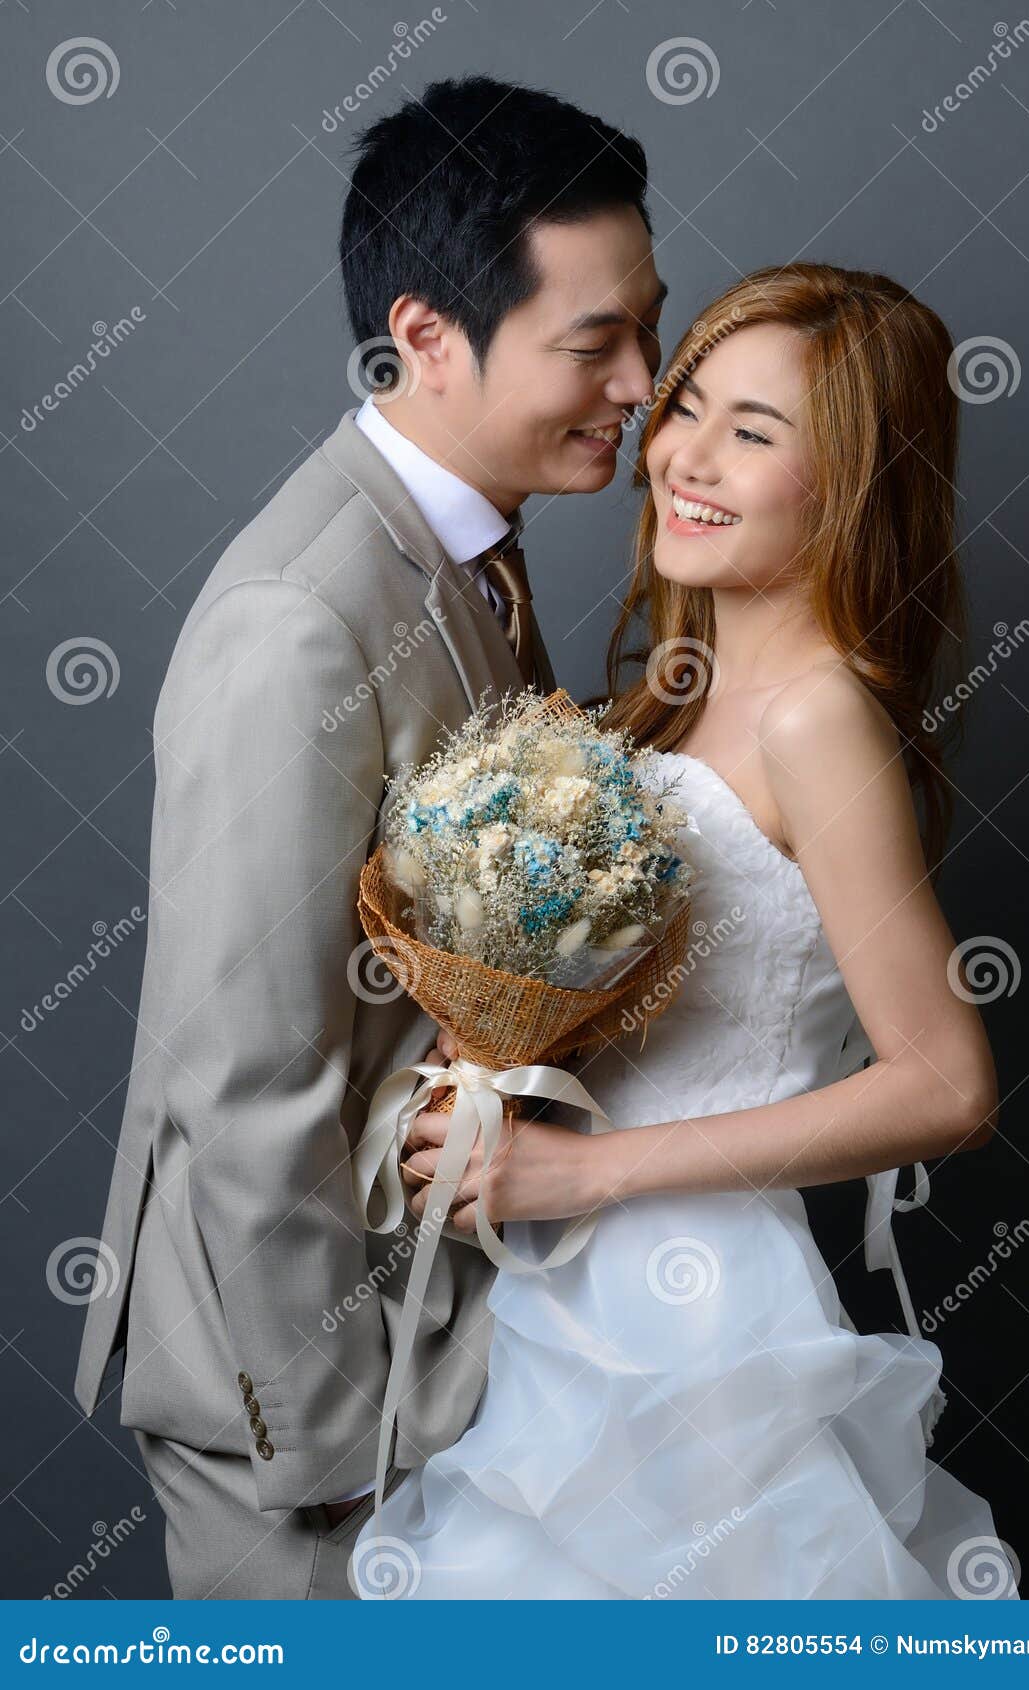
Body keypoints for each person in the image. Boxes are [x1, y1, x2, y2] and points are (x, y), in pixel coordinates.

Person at [73, 75, 665, 1600]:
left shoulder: (476, 547)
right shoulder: (297, 618)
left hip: (450, 1333)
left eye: (647, 329)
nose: (642, 383)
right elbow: (245, 1076)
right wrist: (339, 1435)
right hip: (302, 1402)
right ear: (424, 340)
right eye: (594, 344)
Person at [370, 263, 1020, 1600]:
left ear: (852, 484)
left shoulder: (817, 719)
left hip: (696, 1329)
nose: (686, 456)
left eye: (758, 432)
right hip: (564, 1305)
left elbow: (948, 1082)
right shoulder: (682, 696)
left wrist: (585, 1175)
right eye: (688, 405)